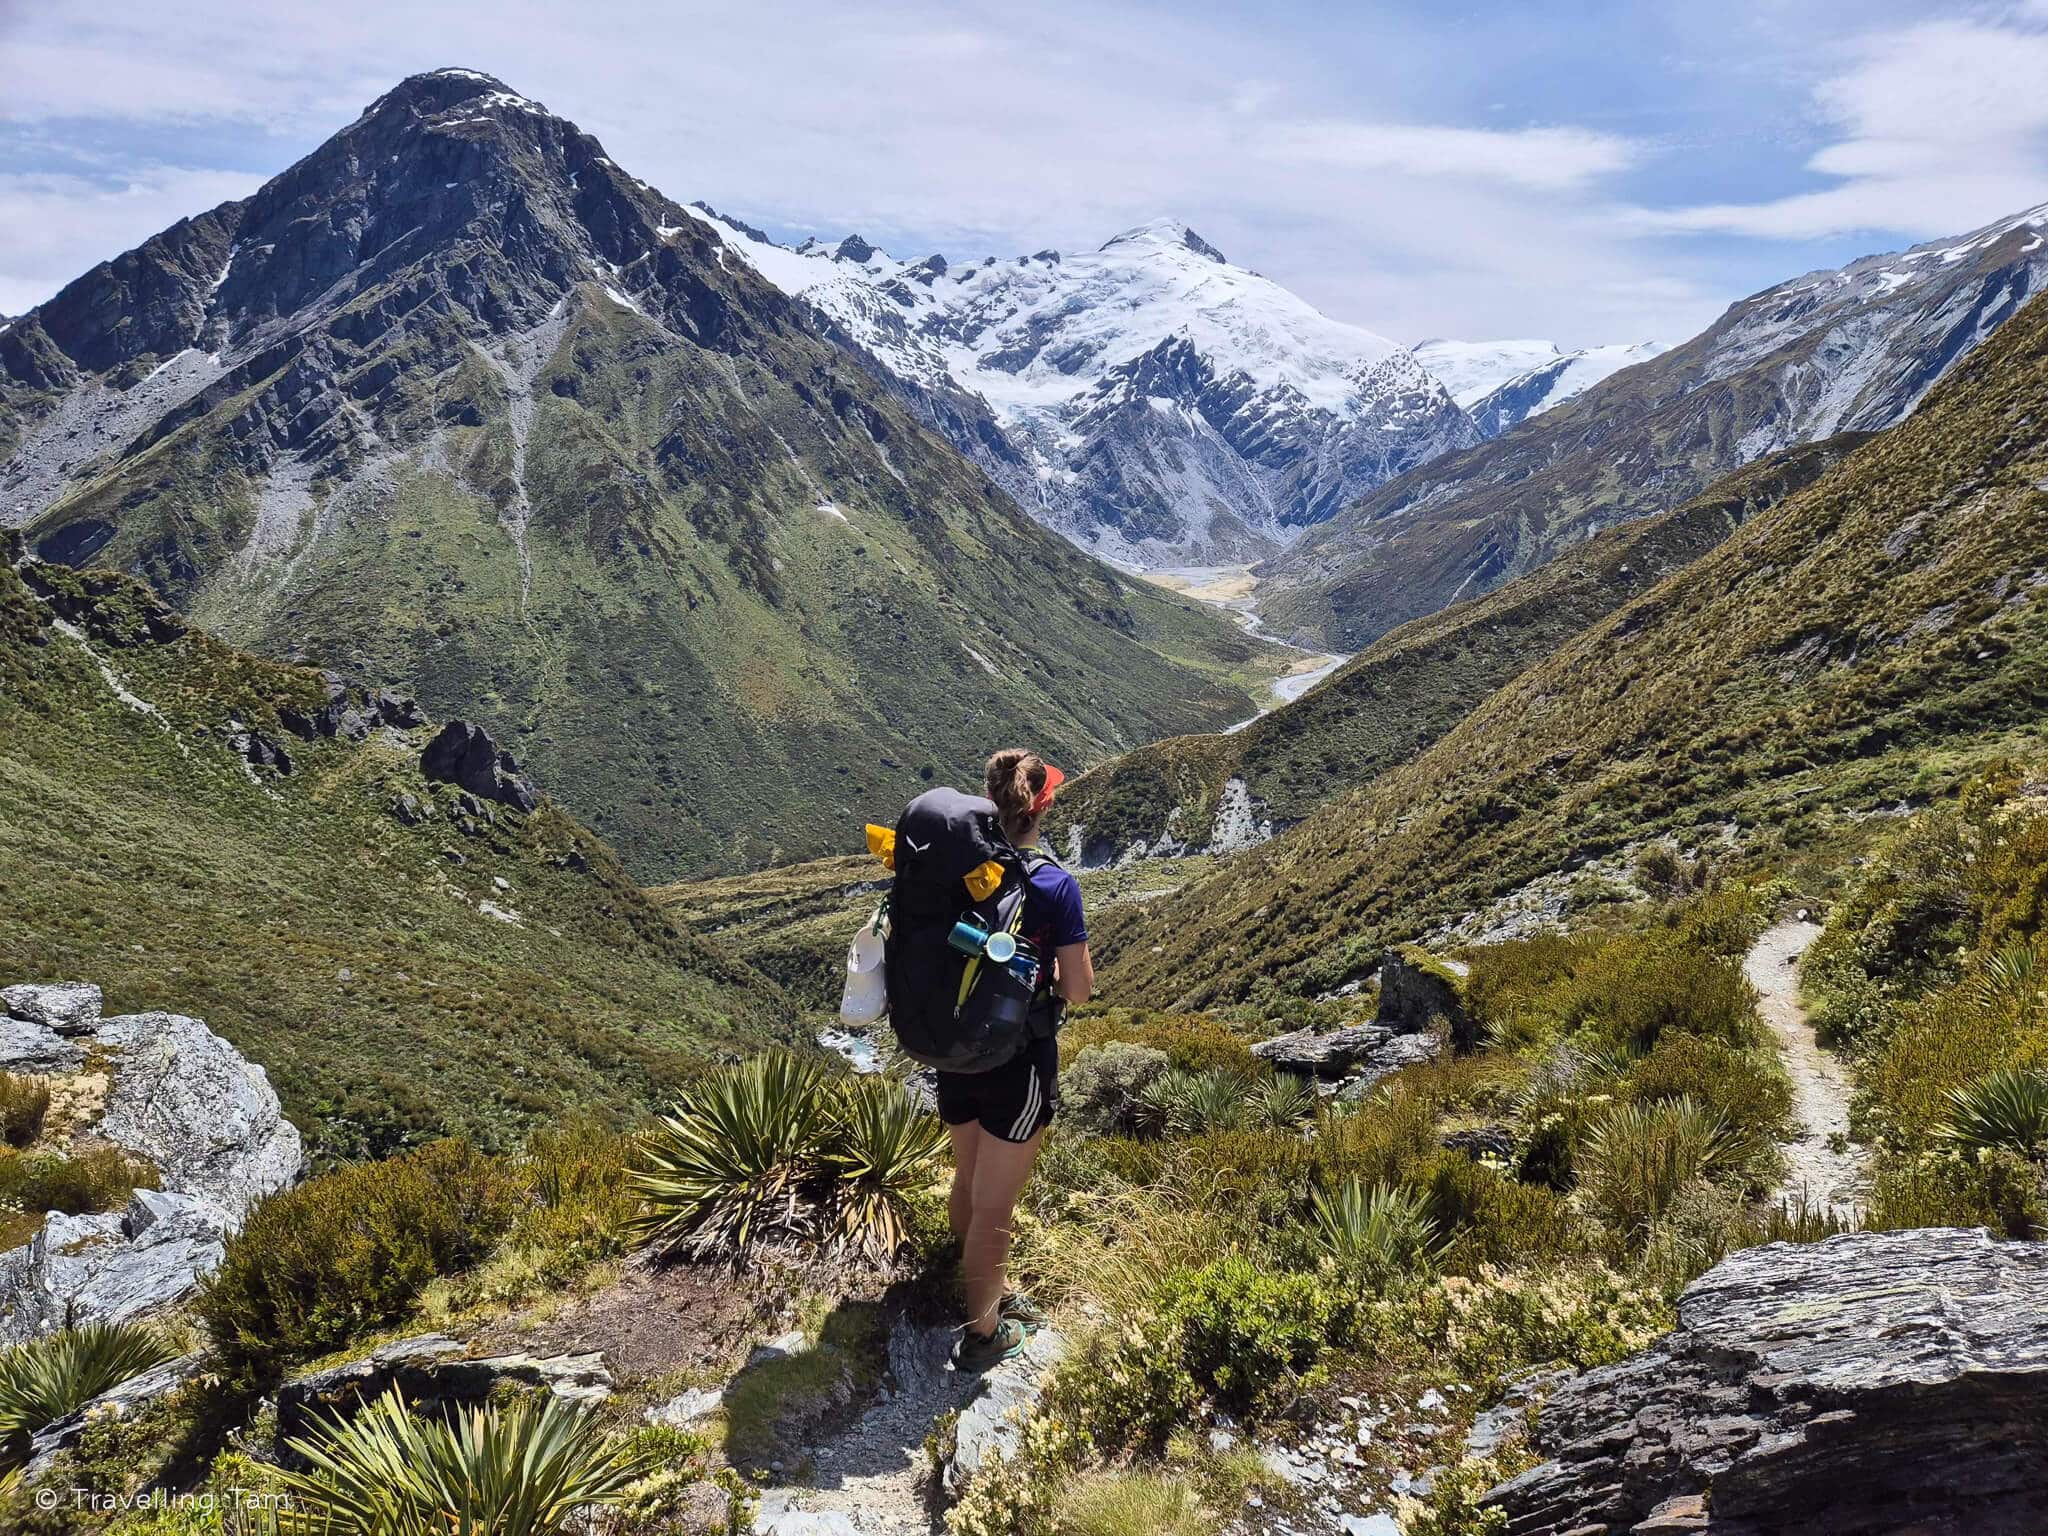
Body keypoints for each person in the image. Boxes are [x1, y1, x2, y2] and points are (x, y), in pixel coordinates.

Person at [940, 749, 1093, 1371]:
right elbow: (1079, 990)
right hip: (1017, 1060)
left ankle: (971, 1285)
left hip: (952, 1051)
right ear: (1044, 804)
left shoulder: (960, 869)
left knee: (968, 1177)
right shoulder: (1054, 884)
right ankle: (984, 1334)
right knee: (997, 1206)